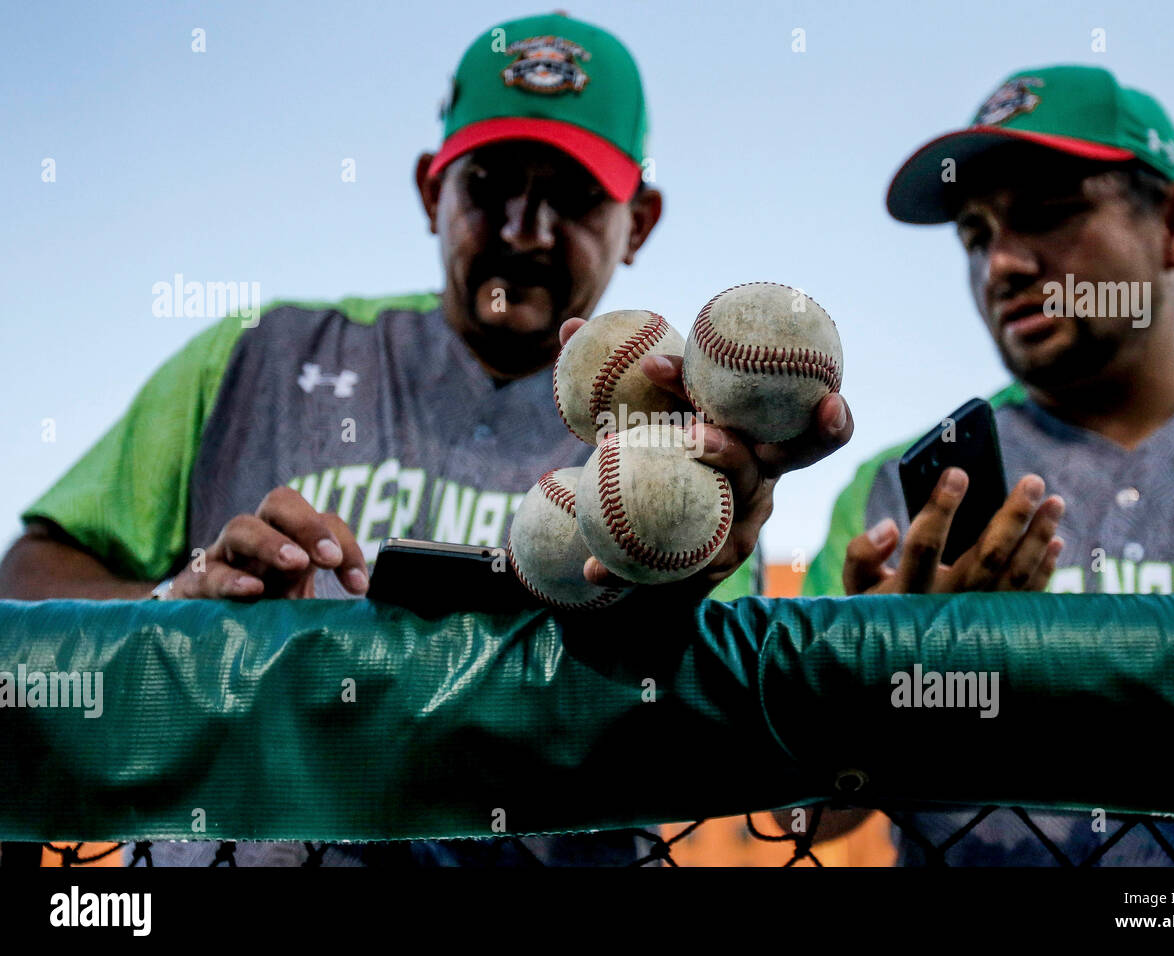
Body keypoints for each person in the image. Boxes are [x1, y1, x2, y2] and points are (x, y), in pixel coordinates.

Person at [0, 12, 853, 866]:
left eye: (574, 193)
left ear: (641, 223)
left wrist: (670, 598)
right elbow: (28, 584)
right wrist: (176, 608)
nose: (526, 228)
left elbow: (721, 758)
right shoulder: (256, 356)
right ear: (428, 192)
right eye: (489, 182)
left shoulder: (683, 439)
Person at [805, 65, 1174, 865]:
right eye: (975, 236)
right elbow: (794, 823)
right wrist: (877, 688)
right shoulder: (891, 494)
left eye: (1049, 214)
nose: (1001, 265)